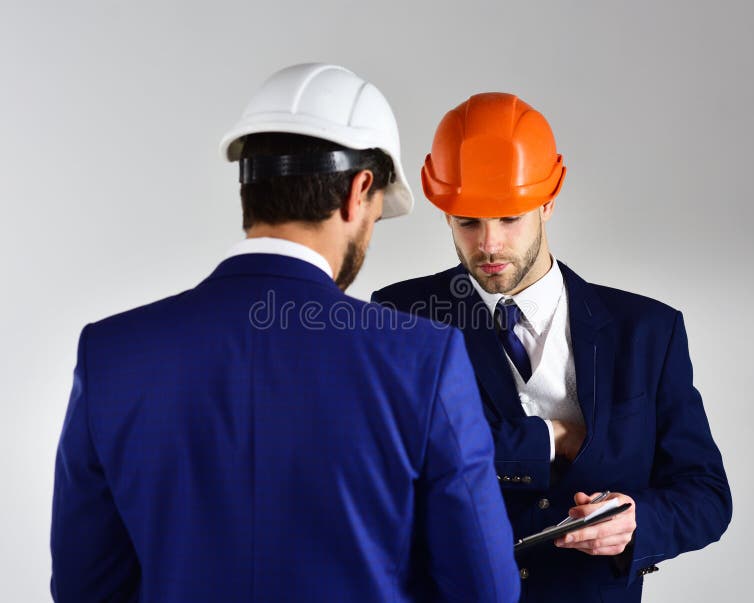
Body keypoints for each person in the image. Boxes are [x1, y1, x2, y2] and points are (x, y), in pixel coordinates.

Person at [50, 65, 520, 603]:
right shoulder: (423, 359)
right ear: (359, 190)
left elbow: (83, 589)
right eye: (374, 214)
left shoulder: (112, 355)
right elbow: (485, 592)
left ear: (250, 186)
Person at [372, 92, 732, 602]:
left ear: (549, 200)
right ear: (444, 211)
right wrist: (552, 438)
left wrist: (637, 523)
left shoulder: (649, 331)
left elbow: (707, 495)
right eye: (468, 222)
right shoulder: (400, 316)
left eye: (510, 218)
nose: (489, 245)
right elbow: (394, 460)